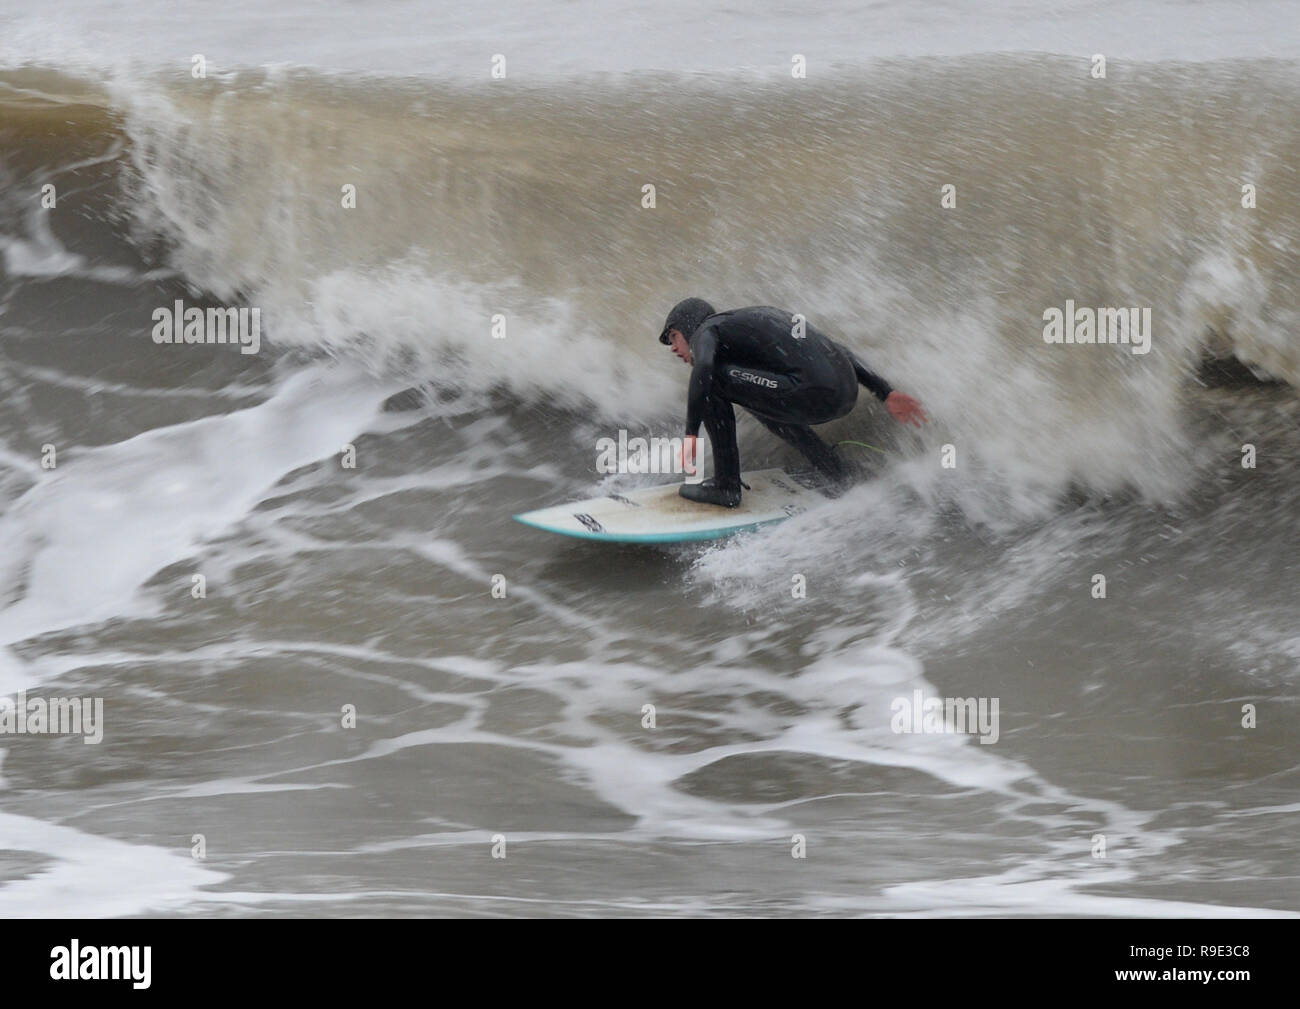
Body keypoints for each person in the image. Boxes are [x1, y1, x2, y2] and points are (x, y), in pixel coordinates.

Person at [658, 297, 928, 507]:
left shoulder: (707, 329)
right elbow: (836, 349)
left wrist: (691, 433)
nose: (673, 348)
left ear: (689, 325)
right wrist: (884, 391)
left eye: (673, 337)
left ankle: (726, 486)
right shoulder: (753, 323)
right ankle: (837, 471)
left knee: (712, 380)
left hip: (809, 392)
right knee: (757, 398)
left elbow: (703, 367)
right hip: (842, 392)